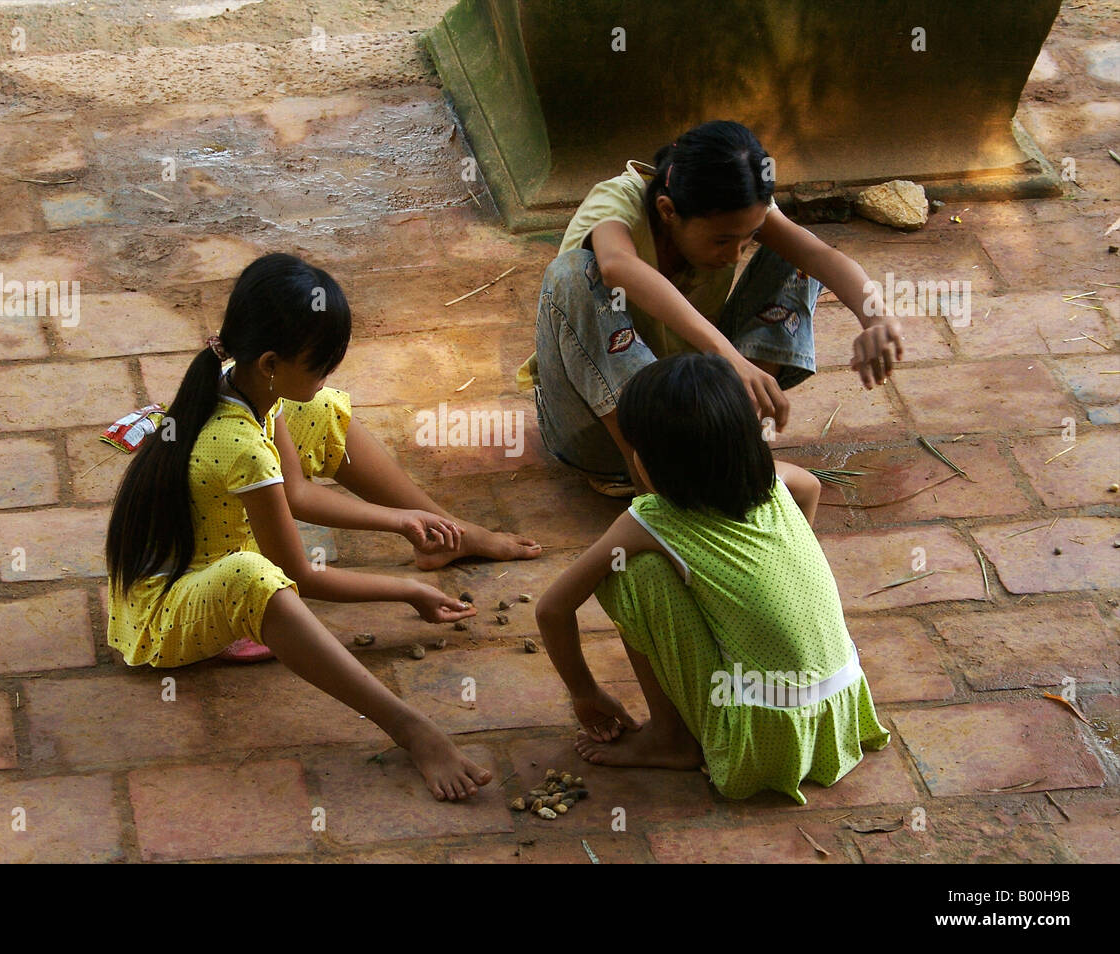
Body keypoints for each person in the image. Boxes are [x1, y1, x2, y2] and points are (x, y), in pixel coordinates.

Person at [104, 252, 539, 800]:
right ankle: (412, 730)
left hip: (203, 547)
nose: (328, 375)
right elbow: (300, 578)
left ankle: (446, 532)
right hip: (161, 613)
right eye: (321, 364)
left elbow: (299, 494)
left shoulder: (240, 378)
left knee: (321, 409)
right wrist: (406, 591)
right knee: (256, 580)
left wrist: (405, 521)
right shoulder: (239, 446)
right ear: (269, 362)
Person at [534, 353, 890, 805]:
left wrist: (584, 693)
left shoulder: (651, 519)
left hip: (758, 736)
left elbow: (553, 608)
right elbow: (812, 488)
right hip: (837, 708)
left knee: (629, 573)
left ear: (651, 462)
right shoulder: (774, 482)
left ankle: (670, 738)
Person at [517, 120, 905, 496]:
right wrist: (726, 354)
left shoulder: (736, 210)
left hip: (693, 413)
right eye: (722, 241)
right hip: (597, 433)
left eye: (747, 239)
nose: (735, 254)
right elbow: (617, 265)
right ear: (668, 211)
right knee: (571, 274)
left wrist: (875, 317)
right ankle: (652, 485)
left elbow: (818, 254)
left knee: (794, 258)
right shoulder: (617, 201)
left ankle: (737, 439)